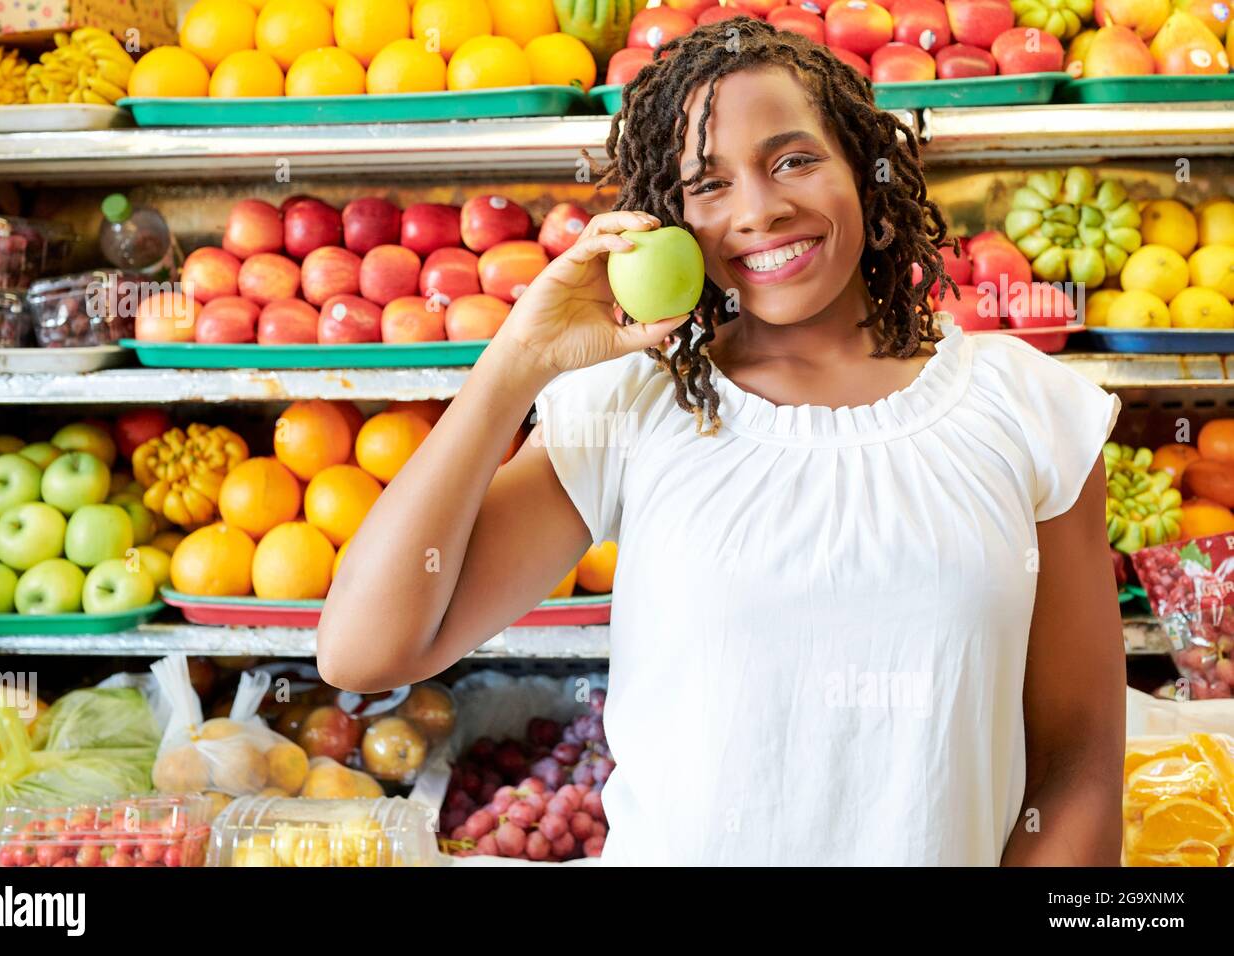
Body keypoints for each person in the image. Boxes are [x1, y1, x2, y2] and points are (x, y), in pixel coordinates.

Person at [319, 19, 1125, 866]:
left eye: (794, 160)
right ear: (668, 221)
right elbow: (364, 651)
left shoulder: (1026, 407)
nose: (759, 208)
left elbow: (1078, 766)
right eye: (708, 184)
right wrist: (516, 365)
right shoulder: (635, 407)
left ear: (862, 168)